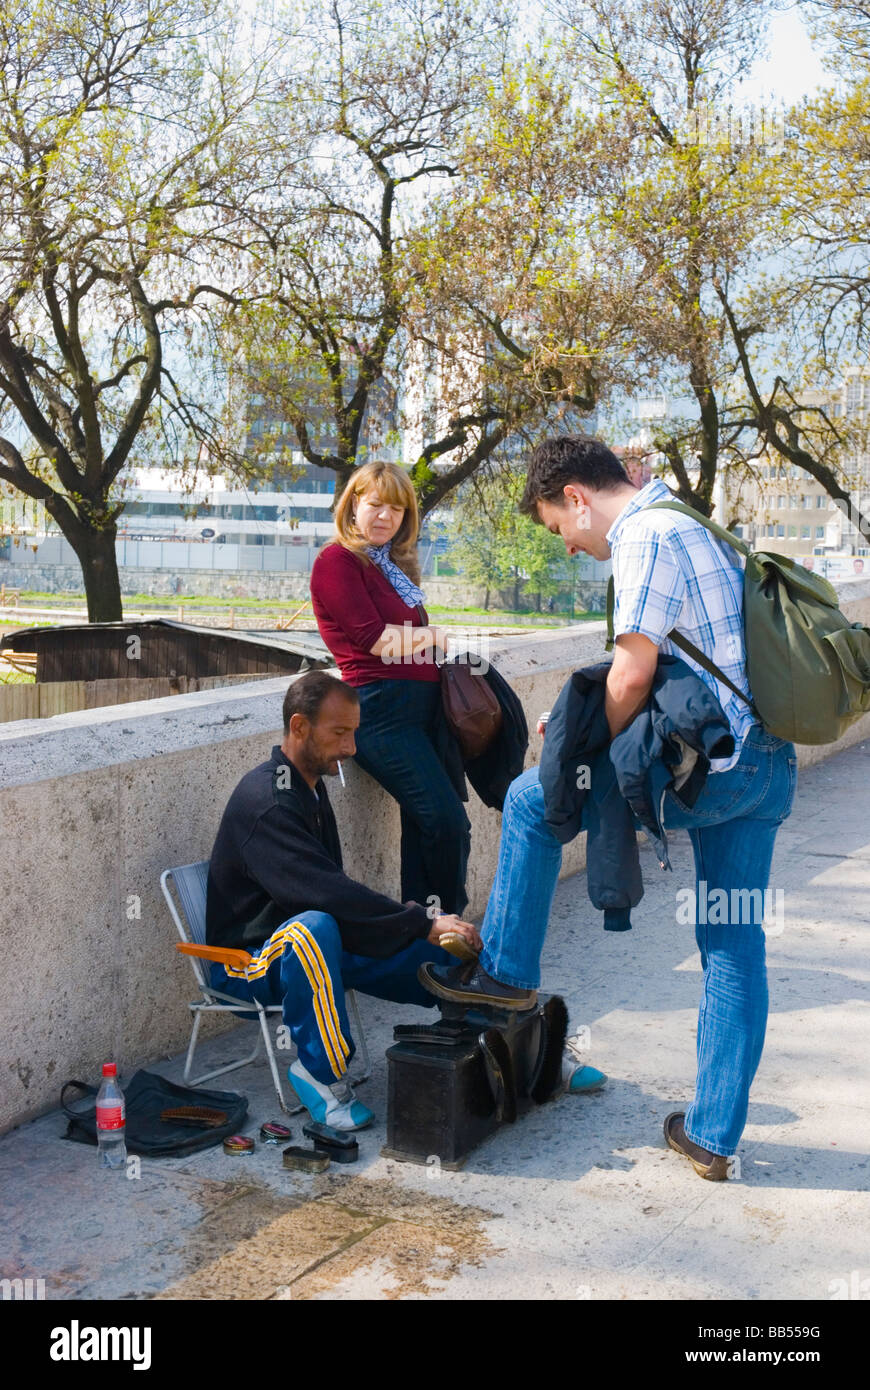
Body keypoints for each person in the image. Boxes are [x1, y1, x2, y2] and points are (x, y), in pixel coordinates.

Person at [419, 435, 797, 1178]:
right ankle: (714, 1138)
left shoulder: (644, 537)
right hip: (762, 760)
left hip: (713, 768)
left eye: (559, 529)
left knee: (532, 802)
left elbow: (631, 673)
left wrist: (583, 752)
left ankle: (507, 974)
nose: (566, 547)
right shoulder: (688, 521)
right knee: (732, 946)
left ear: (578, 498)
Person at [205, 670, 481, 1131]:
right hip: (244, 962)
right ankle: (318, 1073)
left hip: (315, 943)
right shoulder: (268, 801)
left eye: (354, 732)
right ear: (299, 727)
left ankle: (508, 1031)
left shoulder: (309, 785)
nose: (352, 748)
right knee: (315, 928)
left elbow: (337, 895)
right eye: (340, 733)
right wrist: (419, 920)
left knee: (450, 945)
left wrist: (430, 932)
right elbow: (324, 894)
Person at [310, 459, 471, 917]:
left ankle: (426, 934)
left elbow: (403, 639)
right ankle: (445, 934)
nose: (385, 517)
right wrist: (435, 636)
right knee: (446, 822)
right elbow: (376, 641)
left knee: (427, 826)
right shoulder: (336, 561)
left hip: (423, 711)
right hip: (380, 712)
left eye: (396, 510)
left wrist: (423, 640)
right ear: (353, 504)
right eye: (376, 504)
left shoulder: (390, 565)